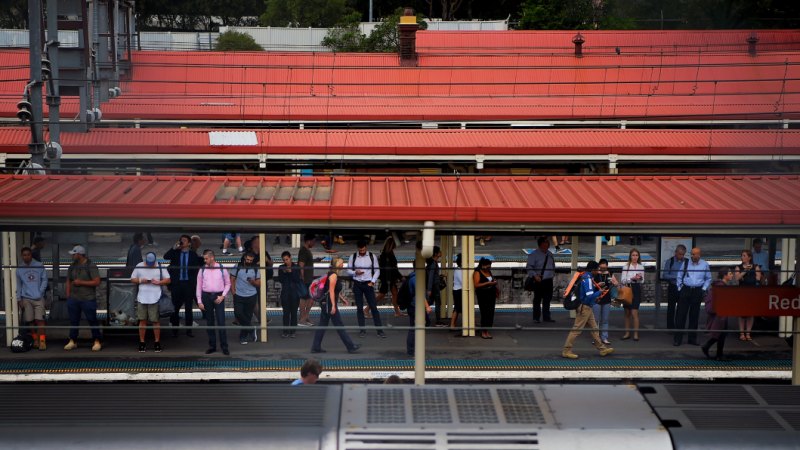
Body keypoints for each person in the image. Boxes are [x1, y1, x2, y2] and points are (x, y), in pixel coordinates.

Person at [562, 261, 615, 359]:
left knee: (594, 329)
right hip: (585, 307)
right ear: (593, 270)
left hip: (586, 307)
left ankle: (602, 349)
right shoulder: (588, 279)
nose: (598, 271)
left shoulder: (585, 277)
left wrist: (596, 286)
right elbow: (589, 296)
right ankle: (566, 350)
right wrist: (599, 291)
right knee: (576, 330)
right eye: (597, 269)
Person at [311, 258, 360, 354]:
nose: (343, 264)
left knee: (323, 325)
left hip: (326, 304)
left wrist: (342, 299)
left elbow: (334, 291)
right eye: (341, 263)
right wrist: (333, 306)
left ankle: (316, 347)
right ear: (337, 265)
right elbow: (331, 292)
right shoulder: (333, 276)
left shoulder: (333, 274)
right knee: (339, 325)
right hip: (329, 304)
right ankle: (350, 346)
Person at [64, 245, 102, 352]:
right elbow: (68, 280)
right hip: (73, 298)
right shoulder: (72, 266)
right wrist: (68, 294)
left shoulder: (91, 266)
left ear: (79, 254)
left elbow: (97, 281)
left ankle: (97, 340)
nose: (72, 256)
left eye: (74, 254)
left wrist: (81, 282)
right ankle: (73, 340)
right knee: (73, 320)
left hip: (88, 298)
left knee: (92, 320)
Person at [164, 235, 203, 337]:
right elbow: (165, 257)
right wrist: (174, 248)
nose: (182, 242)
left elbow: (199, 265)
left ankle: (189, 330)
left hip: (188, 284)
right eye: (181, 240)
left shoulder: (193, 254)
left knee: (188, 308)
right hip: (177, 284)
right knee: (175, 308)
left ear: (189, 243)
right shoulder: (175, 253)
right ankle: (175, 329)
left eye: (184, 240)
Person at [131, 252, 169, 353]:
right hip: (142, 297)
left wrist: (159, 282)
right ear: (145, 260)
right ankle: (142, 342)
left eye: (151, 263)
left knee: (155, 321)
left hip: (155, 297)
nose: (150, 265)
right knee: (142, 320)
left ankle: (157, 342)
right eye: (148, 263)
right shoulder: (139, 266)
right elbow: (132, 279)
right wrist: (140, 280)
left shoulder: (160, 266)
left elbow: (168, 280)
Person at [673, 247, 712, 347]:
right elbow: (679, 275)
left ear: (700, 254)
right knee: (681, 315)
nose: (694, 256)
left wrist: (703, 289)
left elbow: (708, 278)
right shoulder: (686, 263)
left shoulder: (704, 264)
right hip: (685, 290)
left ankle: (692, 339)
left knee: (694, 316)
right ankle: (678, 339)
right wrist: (680, 287)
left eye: (695, 254)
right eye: (692, 254)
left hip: (697, 291)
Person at [196, 250, 231, 355]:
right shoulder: (202, 270)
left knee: (221, 322)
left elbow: (228, 283)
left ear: (212, 258)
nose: (204, 260)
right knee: (209, 322)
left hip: (218, 296)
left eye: (206, 258)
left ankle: (224, 346)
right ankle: (212, 346)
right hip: (206, 296)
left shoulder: (221, 268)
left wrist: (223, 296)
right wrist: (199, 301)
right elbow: (198, 286)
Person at [349, 239, 385, 338]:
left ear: (366, 247)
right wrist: (355, 272)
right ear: (358, 248)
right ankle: (362, 330)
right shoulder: (353, 256)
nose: (362, 252)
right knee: (359, 308)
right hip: (357, 284)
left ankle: (379, 330)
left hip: (368, 283)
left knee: (373, 307)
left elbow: (377, 271)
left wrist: (373, 281)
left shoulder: (372, 256)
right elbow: (348, 270)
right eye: (360, 250)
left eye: (363, 250)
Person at [16, 247, 48, 350]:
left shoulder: (39, 265)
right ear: (22, 256)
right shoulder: (19, 269)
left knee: (40, 320)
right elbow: (19, 285)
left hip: (38, 298)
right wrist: (19, 299)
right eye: (24, 255)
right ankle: (35, 339)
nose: (26, 257)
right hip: (26, 298)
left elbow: (45, 280)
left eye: (28, 254)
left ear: (31, 255)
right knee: (30, 320)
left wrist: (40, 292)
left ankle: (42, 341)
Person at [702, 267, 734, 361]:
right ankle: (715, 352)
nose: (732, 275)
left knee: (720, 334)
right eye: (730, 273)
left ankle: (717, 353)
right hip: (720, 314)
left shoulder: (718, 285)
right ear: (725, 275)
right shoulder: (722, 286)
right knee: (720, 333)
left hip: (720, 313)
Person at [231, 251, 261, 344]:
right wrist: (233, 292)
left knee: (247, 317)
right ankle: (251, 329)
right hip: (239, 295)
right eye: (247, 259)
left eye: (250, 260)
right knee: (238, 313)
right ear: (244, 258)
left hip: (251, 296)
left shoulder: (255, 268)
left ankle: (243, 337)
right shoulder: (238, 266)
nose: (249, 261)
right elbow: (232, 279)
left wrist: (253, 282)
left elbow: (259, 283)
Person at [526, 236, 556, 323]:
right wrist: (535, 276)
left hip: (548, 280)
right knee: (537, 299)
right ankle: (536, 317)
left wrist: (552, 274)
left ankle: (547, 317)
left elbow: (553, 265)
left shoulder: (550, 254)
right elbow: (529, 267)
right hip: (539, 280)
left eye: (547, 245)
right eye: (544, 245)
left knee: (547, 299)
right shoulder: (534, 255)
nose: (546, 247)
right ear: (540, 245)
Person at [735, 249, 762, 341]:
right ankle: (741, 333)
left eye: (744, 255)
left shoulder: (756, 266)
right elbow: (737, 278)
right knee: (742, 314)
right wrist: (745, 271)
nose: (742, 257)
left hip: (752, 292)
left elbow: (758, 278)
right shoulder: (738, 267)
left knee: (751, 313)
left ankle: (748, 333)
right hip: (742, 293)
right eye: (742, 255)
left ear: (749, 257)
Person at [661, 244, 687, 332]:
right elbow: (665, 275)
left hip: (683, 287)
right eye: (680, 254)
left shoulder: (687, 262)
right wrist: (676, 277)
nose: (681, 256)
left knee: (682, 308)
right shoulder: (670, 261)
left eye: (683, 254)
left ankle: (680, 327)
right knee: (671, 308)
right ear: (676, 252)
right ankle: (670, 328)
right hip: (673, 286)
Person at [592, 258, 618, 345]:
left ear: (607, 266)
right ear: (599, 266)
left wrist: (614, 283)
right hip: (597, 299)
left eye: (605, 265)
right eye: (601, 265)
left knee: (605, 320)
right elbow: (590, 285)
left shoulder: (610, 274)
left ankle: (604, 337)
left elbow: (617, 284)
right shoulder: (595, 274)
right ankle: (595, 338)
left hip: (606, 299)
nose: (603, 267)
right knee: (595, 320)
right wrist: (597, 285)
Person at [620, 248, 644, 341]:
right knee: (627, 313)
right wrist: (632, 278)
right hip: (628, 288)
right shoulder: (626, 267)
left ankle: (636, 334)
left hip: (636, 288)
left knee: (635, 312)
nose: (635, 257)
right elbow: (622, 280)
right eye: (633, 255)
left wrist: (639, 278)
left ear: (638, 256)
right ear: (630, 256)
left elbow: (643, 280)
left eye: (636, 255)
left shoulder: (641, 267)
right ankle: (627, 333)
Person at [405, 272, 431, 356]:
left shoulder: (412, 277)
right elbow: (420, 294)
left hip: (413, 306)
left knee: (415, 327)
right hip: (416, 307)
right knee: (414, 329)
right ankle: (412, 351)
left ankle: (412, 350)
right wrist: (427, 306)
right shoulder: (416, 279)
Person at [278, 251, 302, 339]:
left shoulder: (296, 267)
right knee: (286, 313)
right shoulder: (281, 267)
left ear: (290, 258)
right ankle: (285, 331)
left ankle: (292, 331)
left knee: (294, 313)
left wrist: (291, 272)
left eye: (287, 259)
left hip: (294, 294)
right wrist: (285, 272)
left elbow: (297, 280)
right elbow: (280, 280)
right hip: (285, 293)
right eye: (284, 260)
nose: (286, 262)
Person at [376, 237, 403, 317]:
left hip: (389, 278)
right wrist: (400, 276)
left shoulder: (386, 253)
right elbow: (392, 268)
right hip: (388, 278)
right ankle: (367, 309)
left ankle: (397, 311)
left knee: (395, 293)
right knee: (381, 295)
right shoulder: (388, 254)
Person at [473, 257, 498, 339]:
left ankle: (487, 330)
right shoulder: (477, 272)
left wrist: (494, 285)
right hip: (483, 295)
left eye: (489, 267)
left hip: (491, 294)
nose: (488, 268)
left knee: (491, 313)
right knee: (485, 313)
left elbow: (492, 280)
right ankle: (484, 331)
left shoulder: (488, 271)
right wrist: (487, 283)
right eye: (487, 267)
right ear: (482, 265)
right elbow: (476, 285)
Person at [297, 233, 316, 327]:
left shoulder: (307, 250)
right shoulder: (304, 250)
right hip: (305, 280)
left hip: (308, 279)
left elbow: (306, 262)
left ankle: (305, 317)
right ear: (308, 241)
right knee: (304, 298)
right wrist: (303, 277)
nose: (314, 243)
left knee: (309, 298)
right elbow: (301, 265)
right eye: (313, 241)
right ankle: (302, 318)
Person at [426, 246, 447, 327]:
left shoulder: (432, 263)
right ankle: (438, 321)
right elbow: (431, 277)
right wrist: (429, 289)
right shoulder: (433, 264)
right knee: (437, 303)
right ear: (436, 254)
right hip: (434, 287)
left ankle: (425, 318)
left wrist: (440, 276)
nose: (441, 253)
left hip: (434, 286)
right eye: (439, 251)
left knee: (431, 302)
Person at [450, 253, 463, 330]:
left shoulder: (459, 269)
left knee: (458, 308)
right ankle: (452, 324)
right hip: (458, 290)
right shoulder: (458, 270)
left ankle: (453, 324)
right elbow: (462, 281)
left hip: (458, 290)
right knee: (457, 308)